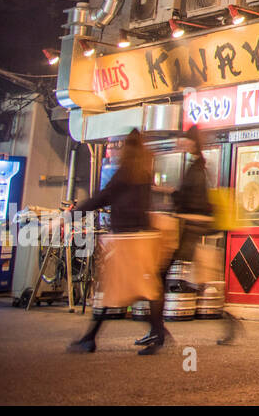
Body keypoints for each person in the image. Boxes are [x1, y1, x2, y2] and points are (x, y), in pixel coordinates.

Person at [67, 130, 166, 354]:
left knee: (112, 288)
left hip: (125, 239)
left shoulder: (125, 173)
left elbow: (102, 197)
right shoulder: (144, 172)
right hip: (144, 238)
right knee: (147, 289)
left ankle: (90, 338)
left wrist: (74, 213)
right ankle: (157, 333)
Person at [144, 126, 242, 348]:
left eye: (184, 140)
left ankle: (158, 331)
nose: (181, 143)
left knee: (166, 274)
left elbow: (195, 200)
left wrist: (169, 194)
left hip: (189, 229)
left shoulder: (196, 169)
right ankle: (158, 330)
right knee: (199, 279)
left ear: (191, 143)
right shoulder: (199, 166)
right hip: (193, 228)